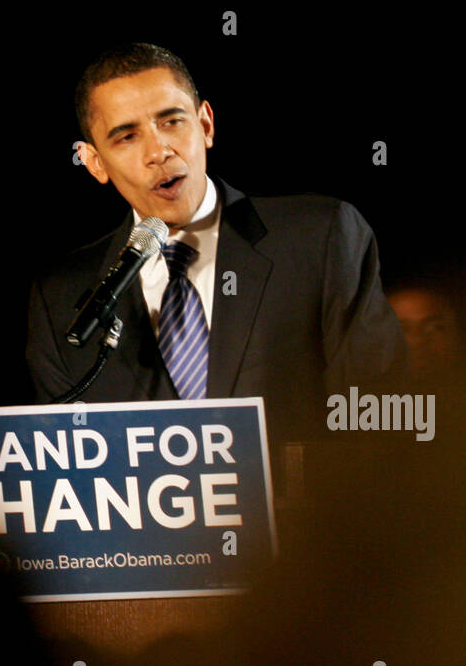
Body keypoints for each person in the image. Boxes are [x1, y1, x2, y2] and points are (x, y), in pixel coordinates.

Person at [26, 43, 407, 446]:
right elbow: (64, 457)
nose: (159, 152)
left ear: (206, 124)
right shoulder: (62, 298)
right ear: (94, 162)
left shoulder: (320, 237)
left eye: (171, 122)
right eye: (126, 137)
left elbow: (378, 413)